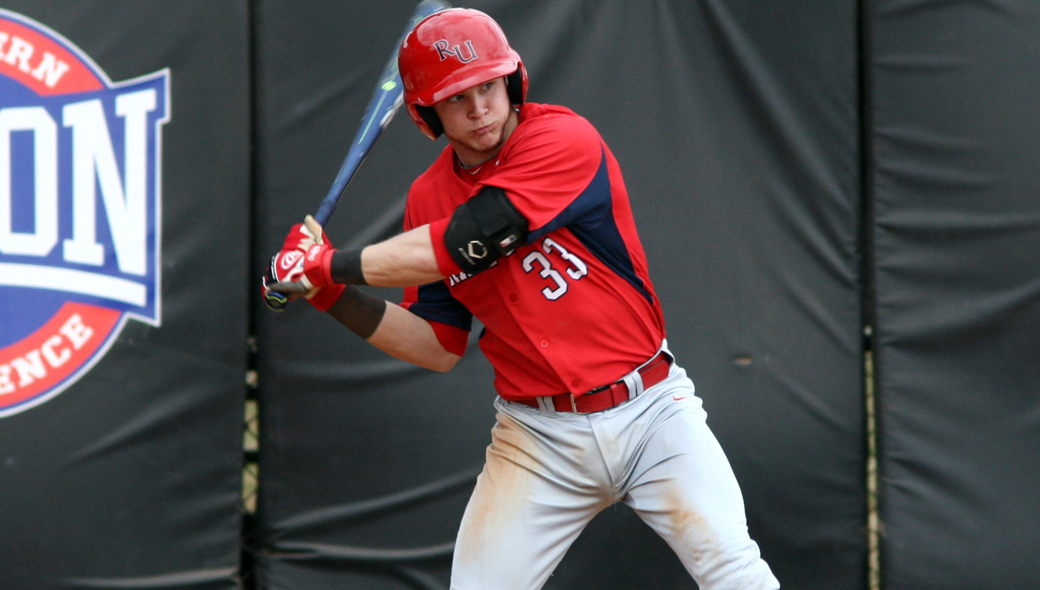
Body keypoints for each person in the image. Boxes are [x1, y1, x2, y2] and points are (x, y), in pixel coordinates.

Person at [264, 8, 780, 590]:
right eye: (457, 98)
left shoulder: (562, 139)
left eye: (487, 86)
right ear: (427, 113)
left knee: (736, 573)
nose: (479, 109)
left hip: (651, 413)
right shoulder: (427, 198)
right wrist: (329, 293)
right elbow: (436, 346)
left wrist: (326, 263)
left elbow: (472, 237)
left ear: (511, 81)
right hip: (538, 437)